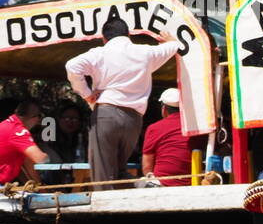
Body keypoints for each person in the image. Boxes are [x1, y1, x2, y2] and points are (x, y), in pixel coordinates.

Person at [66, 17, 180, 184]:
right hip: (133, 120)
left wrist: (87, 94)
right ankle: (144, 188)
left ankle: (107, 207)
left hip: (106, 114)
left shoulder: (99, 53)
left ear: (104, 38)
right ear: (128, 35)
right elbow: (172, 47)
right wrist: (172, 41)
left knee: (103, 175)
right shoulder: (145, 53)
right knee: (118, 172)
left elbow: (72, 66)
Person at [140, 88, 206, 186]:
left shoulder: (154, 128)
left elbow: (147, 167)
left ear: (164, 109)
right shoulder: (198, 128)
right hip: (193, 183)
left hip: (162, 184)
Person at [0, 100, 46, 186]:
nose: (39, 122)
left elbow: (24, 165)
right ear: (34, 117)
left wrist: (38, 187)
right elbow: (40, 159)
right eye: (39, 117)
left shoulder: (7, 125)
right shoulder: (18, 131)